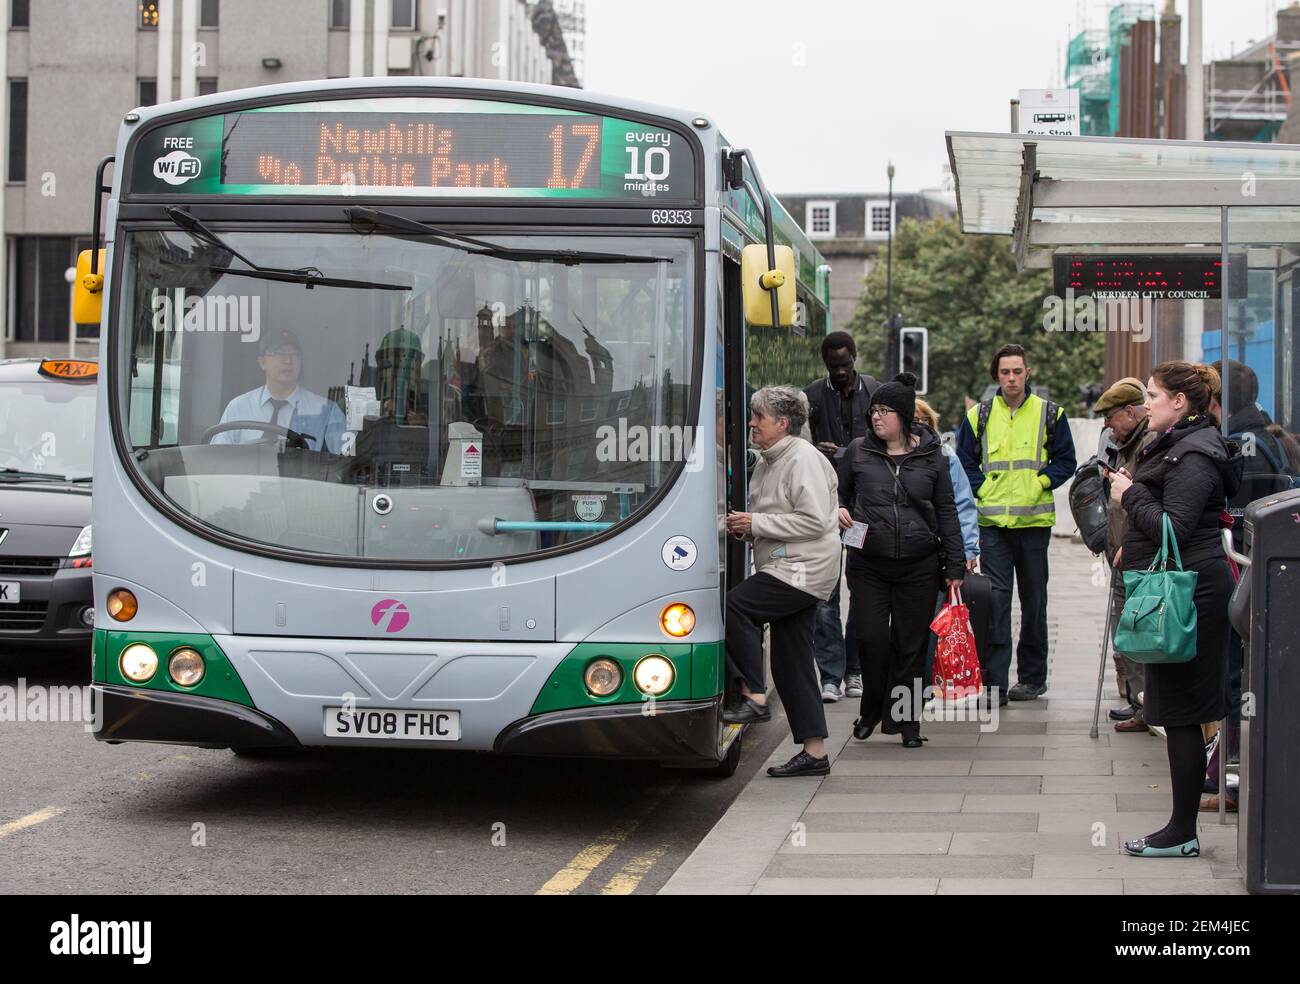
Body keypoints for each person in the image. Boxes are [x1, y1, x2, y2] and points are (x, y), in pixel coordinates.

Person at [1108, 361, 1243, 858]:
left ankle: (1181, 832)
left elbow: (1177, 526)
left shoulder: (1194, 453)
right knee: (1176, 710)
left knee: (1183, 712)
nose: (1147, 404)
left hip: (1189, 596)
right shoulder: (1178, 446)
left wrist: (1131, 492)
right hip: (1181, 588)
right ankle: (1179, 827)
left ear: (1180, 403)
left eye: (1153, 395)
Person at [838, 373, 965, 747]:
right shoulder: (857, 451)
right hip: (869, 565)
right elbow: (838, 495)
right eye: (874, 410)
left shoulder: (932, 456)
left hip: (919, 565)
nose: (876, 417)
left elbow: (947, 511)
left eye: (885, 411)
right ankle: (871, 709)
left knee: (911, 647)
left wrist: (954, 566)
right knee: (872, 640)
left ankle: (907, 722)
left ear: (904, 416)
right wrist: (839, 511)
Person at [723, 386, 843, 778]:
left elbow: (814, 521)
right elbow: (773, 516)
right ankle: (815, 752)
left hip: (801, 570)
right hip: (788, 565)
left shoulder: (802, 459)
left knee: (735, 605)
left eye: (759, 417)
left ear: (783, 423)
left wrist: (755, 523)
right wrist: (747, 528)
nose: (753, 423)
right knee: (792, 664)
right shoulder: (769, 461)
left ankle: (754, 695)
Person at [956, 343, 1077, 704]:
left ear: (1028, 373)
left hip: (1034, 524)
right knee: (995, 603)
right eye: (1005, 372)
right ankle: (993, 684)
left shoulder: (1050, 414)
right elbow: (964, 462)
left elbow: (1066, 461)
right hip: (992, 525)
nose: (1011, 378)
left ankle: (1032, 678)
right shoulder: (978, 415)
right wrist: (985, 488)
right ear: (997, 375)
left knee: (1034, 601)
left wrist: (1039, 483)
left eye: (1017, 371)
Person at [803, 331, 880, 704]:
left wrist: (849, 450)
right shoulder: (813, 396)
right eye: (834, 368)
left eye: (846, 366)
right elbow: (797, 447)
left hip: (862, 510)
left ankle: (855, 670)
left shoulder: (875, 393)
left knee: (863, 592)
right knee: (825, 595)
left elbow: (887, 445)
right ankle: (831, 674)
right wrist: (815, 448)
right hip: (825, 507)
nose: (840, 373)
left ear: (855, 359)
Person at [1092, 378, 1156, 733]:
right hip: (1120, 552)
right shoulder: (1124, 445)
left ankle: (1147, 705)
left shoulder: (1146, 445)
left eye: (1111, 418)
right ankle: (1138, 703)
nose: (1107, 426)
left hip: (1135, 555)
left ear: (1130, 413)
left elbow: (1144, 503)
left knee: (1137, 631)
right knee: (1127, 632)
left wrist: (1128, 545)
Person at [915, 398, 980, 691]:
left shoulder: (946, 456)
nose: (918, 425)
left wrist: (968, 550)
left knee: (934, 620)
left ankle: (928, 684)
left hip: (938, 550)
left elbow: (963, 505)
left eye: (923, 420)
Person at [213, 328, 346, 452]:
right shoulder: (239, 407)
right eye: (278, 353)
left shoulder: (326, 411)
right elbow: (217, 460)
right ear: (262, 362)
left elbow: (343, 464)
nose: (287, 360)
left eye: (294, 354)